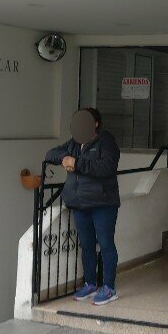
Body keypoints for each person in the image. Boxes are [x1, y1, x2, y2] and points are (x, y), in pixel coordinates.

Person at [44, 108, 121, 305]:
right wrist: (64, 159)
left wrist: (76, 163)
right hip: (79, 204)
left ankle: (109, 287)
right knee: (86, 246)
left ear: (95, 123)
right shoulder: (74, 143)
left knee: (105, 245)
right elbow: (50, 154)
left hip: (103, 203)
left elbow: (107, 167)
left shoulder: (106, 141)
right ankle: (89, 283)